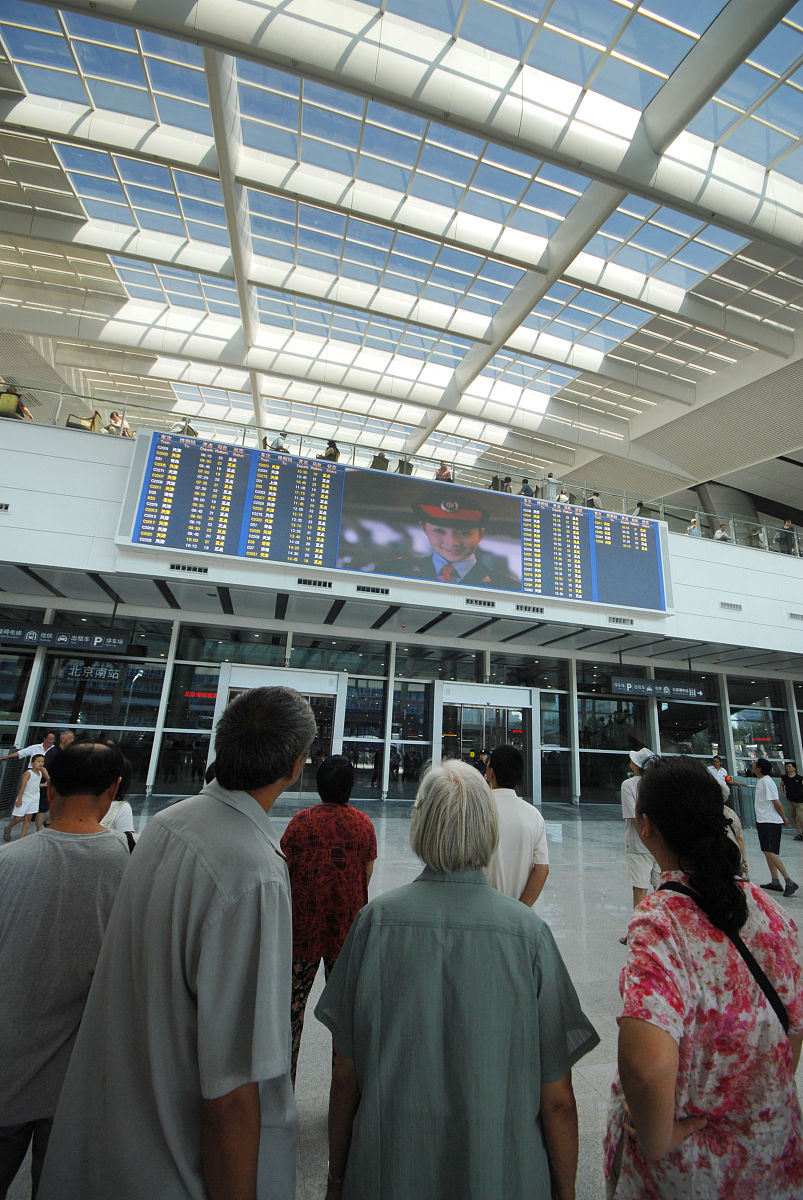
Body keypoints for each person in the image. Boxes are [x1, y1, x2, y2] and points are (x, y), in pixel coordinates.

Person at [38, 686, 317, 1200]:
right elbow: (232, 1089)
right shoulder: (253, 873)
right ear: (296, 765)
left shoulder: (167, 824)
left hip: (118, 1141)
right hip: (176, 1172)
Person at [315, 760, 599, 1200]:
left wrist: (336, 1179)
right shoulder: (528, 936)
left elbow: (345, 1071)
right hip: (502, 1174)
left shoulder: (375, 923)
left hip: (389, 1171)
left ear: (421, 825)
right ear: (488, 829)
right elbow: (557, 1096)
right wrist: (565, 1191)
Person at [604, 757, 803, 1200]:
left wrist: (658, 1140)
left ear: (647, 825)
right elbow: (792, 1031)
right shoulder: (773, 915)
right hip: (772, 1153)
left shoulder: (660, 920)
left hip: (694, 1169)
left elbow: (646, 1064)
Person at [0, 742, 129, 1199]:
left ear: (48, 788)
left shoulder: (6, 863)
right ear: (113, 791)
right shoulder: (132, 865)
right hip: (81, 1085)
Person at [280, 756, 376, 1085]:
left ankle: (283, 1091)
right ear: (350, 787)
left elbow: (285, 875)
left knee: (290, 1013)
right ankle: (343, 1099)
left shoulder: (299, 822)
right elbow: (365, 875)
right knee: (344, 1021)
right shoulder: (363, 824)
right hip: (345, 936)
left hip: (300, 934)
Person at [376, 494, 518, 588]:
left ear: (481, 534)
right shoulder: (391, 570)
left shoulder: (507, 587)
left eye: (464, 533)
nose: (452, 543)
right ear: (424, 528)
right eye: (439, 531)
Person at [484, 744, 549, 906]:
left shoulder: (476, 810)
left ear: (490, 772)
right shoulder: (534, 816)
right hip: (518, 916)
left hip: (480, 911)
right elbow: (542, 869)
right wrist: (521, 910)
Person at [620, 748, 660, 944]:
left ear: (636, 765)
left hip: (638, 845)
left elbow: (635, 817)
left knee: (639, 890)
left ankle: (636, 934)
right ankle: (663, 931)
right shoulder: (657, 784)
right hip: (660, 847)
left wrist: (647, 839)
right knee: (662, 888)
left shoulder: (629, 785)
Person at [752, 758, 797, 896]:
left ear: (759, 768)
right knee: (766, 851)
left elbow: (777, 803)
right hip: (763, 820)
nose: (753, 766)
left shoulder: (767, 782)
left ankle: (789, 881)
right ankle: (775, 881)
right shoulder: (761, 781)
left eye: (754, 765)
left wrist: (784, 818)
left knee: (771, 851)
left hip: (770, 821)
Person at [38, 729, 74, 832]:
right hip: (47, 784)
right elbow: (43, 767)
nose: (72, 741)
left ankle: (50, 822)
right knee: (43, 808)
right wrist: (49, 780)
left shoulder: (67, 753)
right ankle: (40, 829)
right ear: (63, 740)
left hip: (60, 785)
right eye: (70, 739)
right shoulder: (53, 752)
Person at [6, 753, 48, 841]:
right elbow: (23, 787)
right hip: (25, 798)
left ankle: (22, 837)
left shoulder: (40, 773)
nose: (41, 764)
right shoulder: (28, 773)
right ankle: (8, 828)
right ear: (32, 763)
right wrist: (19, 799)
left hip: (35, 798)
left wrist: (43, 784)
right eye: (38, 761)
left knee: (28, 818)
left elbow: (35, 784)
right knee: (18, 818)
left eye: (42, 762)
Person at [780, 760, 803, 841]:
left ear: (794, 768)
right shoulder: (785, 778)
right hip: (790, 800)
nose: (788, 768)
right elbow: (781, 785)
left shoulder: (799, 778)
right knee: (793, 816)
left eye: (789, 767)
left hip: (800, 801)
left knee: (799, 817)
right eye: (787, 767)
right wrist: (783, 794)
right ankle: (799, 833)